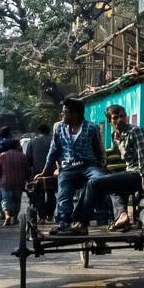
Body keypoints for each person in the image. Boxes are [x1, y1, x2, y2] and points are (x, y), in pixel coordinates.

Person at [36, 98, 106, 236]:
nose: (62, 115)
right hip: (67, 168)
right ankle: (64, 222)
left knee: (99, 180)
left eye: (65, 112)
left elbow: (99, 150)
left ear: (76, 114)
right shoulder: (59, 128)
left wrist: (102, 166)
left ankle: (84, 217)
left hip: (88, 166)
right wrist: (44, 171)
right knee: (64, 193)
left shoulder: (92, 127)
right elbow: (53, 151)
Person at [103, 105, 144, 232]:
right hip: (129, 171)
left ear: (126, 117)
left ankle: (140, 222)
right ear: (110, 121)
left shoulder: (135, 131)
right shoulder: (115, 136)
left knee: (142, 196)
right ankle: (123, 217)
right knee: (116, 190)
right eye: (115, 117)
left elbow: (143, 157)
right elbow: (119, 156)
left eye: (122, 116)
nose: (120, 119)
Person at [0, 141, 30, 227]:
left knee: (6, 200)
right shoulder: (23, 156)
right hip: (19, 183)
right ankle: (15, 218)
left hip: (6, 182)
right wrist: (26, 179)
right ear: (17, 146)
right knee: (17, 201)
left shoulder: (2, 156)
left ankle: (7, 216)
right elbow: (28, 171)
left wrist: (0, 178)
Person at [25, 124, 54, 222]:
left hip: (37, 173)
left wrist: (28, 176)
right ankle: (50, 214)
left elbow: (28, 160)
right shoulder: (54, 141)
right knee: (51, 193)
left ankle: (42, 217)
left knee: (39, 194)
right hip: (52, 172)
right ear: (49, 131)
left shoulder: (32, 142)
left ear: (39, 131)